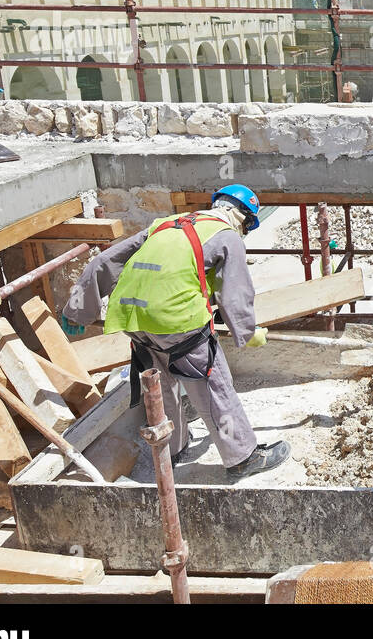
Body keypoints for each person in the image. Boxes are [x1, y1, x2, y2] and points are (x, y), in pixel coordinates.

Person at [62, 184, 290, 481]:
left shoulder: (168, 224)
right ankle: (242, 457)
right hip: (175, 323)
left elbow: (104, 261)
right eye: (248, 226)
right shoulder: (227, 237)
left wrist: (78, 310)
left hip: (134, 320)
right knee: (213, 387)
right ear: (243, 217)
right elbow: (234, 295)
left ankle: (174, 446)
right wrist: (247, 333)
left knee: (163, 383)